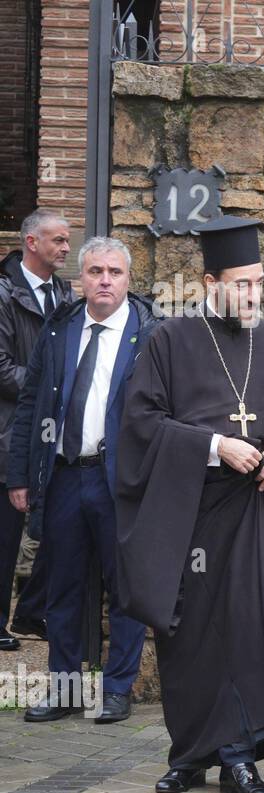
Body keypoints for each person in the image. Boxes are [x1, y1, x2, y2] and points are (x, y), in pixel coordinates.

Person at [115, 215, 264, 793]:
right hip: (189, 510)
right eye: (240, 283)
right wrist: (213, 444)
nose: (253, 294)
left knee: (247, 631)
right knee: (187, 634)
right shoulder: (169, 341)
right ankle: (189, 753)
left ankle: (240, 758)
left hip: (256, 508)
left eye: (259, 282)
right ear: (210, 282)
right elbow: (141, 423)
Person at [7, 237, 154, 723]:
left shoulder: (151, 334)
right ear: (81, 278)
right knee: (63, 587)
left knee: (126, 589)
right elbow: (31, 407)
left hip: (123, 483)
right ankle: (66, 688)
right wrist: (21, 475)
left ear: (129, 279)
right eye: (95, 271)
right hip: (67, 477)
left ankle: (117, 689)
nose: (105, 280)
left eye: (114, 271)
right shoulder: (60, 329)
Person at [0, 209, 69, 649]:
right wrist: (50, 388)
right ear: (31, 242)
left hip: (53, 438)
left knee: (55, 530)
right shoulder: (4, 294)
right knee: (4, 537)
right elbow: (2, 368)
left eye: (66, 241)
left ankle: (31, 613)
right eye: (58, 240)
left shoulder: (62, 292)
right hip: (10, 434)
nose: (66, 247)